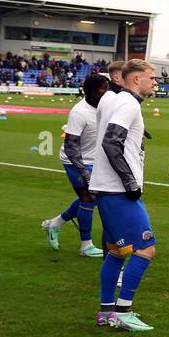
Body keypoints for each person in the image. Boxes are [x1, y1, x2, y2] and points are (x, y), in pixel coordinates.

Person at [89, 60, 159, 333]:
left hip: (104, 187)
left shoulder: (110, 99)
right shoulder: (128, 104)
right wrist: (130, 181)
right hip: (118, 190)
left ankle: (106, 311)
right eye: (151, 78)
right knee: (145, 250)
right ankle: (123, 311)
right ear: (135, 80)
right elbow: (111, 141)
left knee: (117, 253)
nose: (155, 82)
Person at [41, 72, 110, 257]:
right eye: (104, 88)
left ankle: (54, 224)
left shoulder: (107, 106)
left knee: (88, 198)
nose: (108, 90)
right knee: (89, 198)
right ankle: (85, 246)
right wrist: (83, 171)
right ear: (93, 91)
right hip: (75, 160)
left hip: (96, 159)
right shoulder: (79, 112)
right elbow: (70, 146)